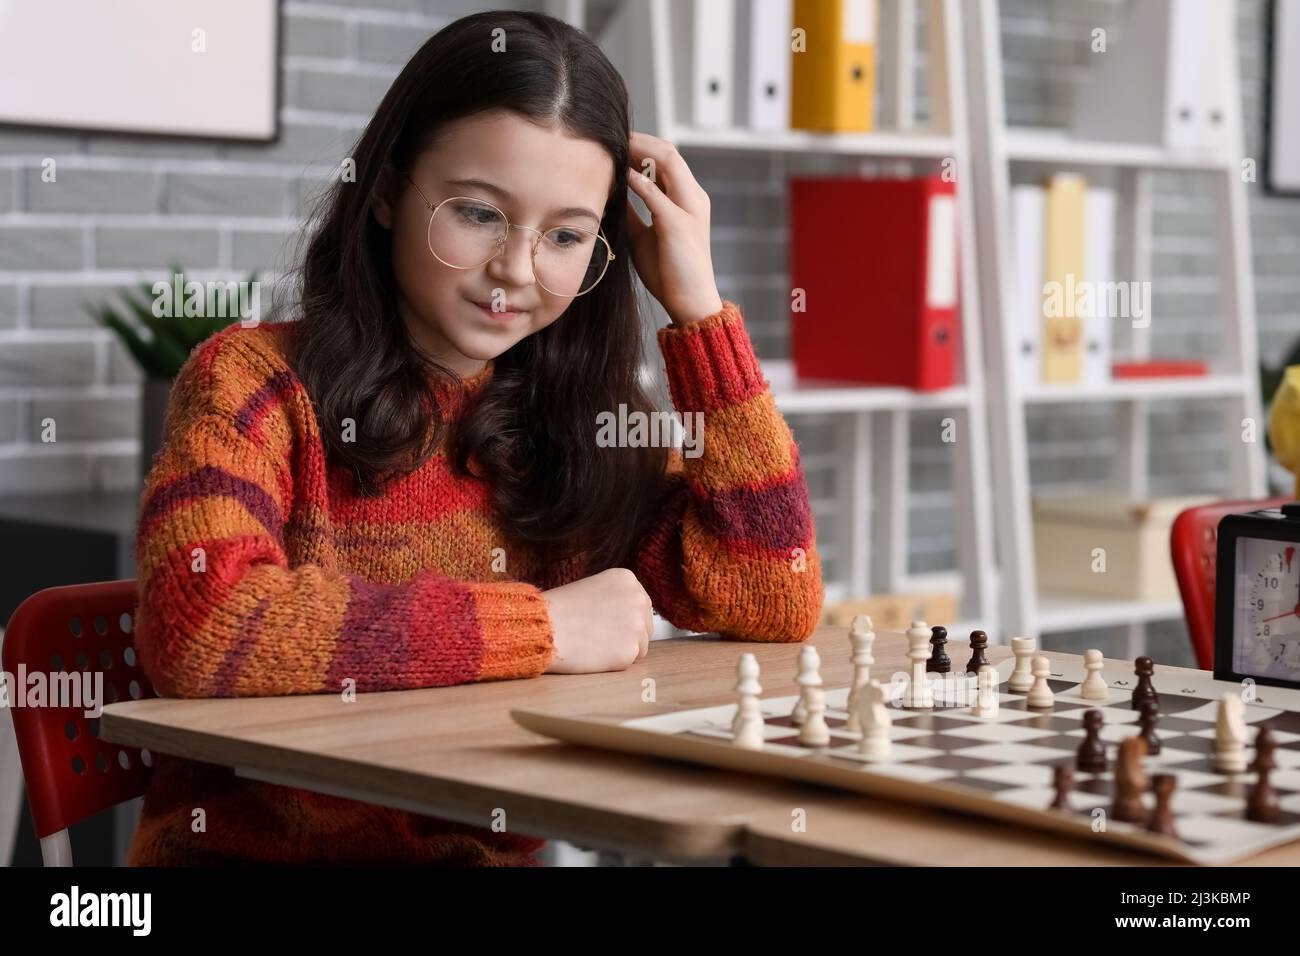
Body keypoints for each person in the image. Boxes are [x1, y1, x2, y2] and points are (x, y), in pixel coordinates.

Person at [128, 9, 823, 866]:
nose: (518, 270)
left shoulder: (576, 424)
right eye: (479, 214)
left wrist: (699, 310)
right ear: (385, 190)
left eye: (566, 235)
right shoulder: (252, 383)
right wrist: (542, 628)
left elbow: (772, 592)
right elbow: (199, 625)